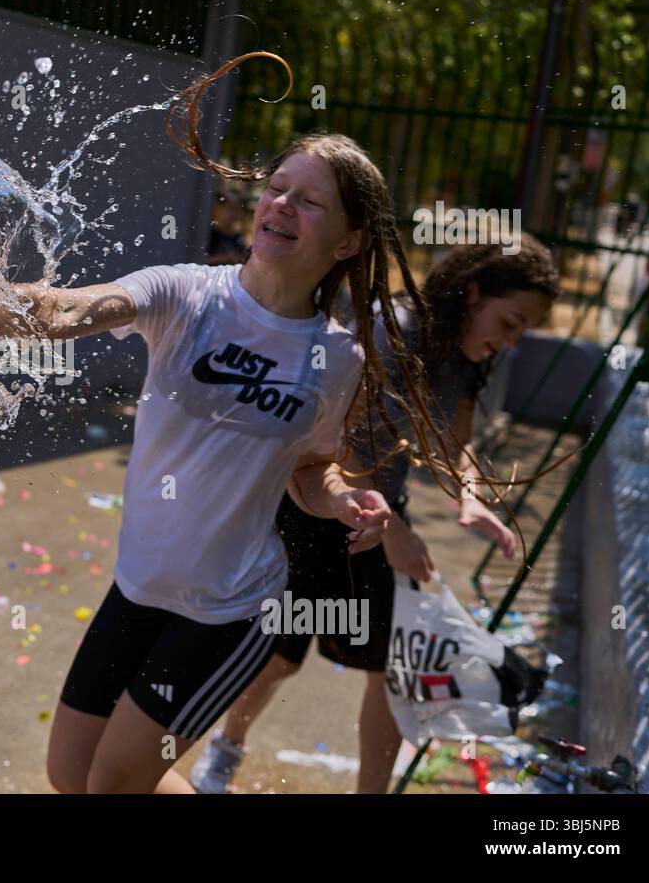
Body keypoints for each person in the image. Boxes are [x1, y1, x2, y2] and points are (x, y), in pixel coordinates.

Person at [0, 132, 472, 793]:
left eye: (308, 202)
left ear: (349, 241)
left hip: (226, 609)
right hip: (138, 585)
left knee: (113, 784)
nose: (279, 205)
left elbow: (310, 469)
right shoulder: (185, 296)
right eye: (276, 189)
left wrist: (342, 499)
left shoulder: (337, 359)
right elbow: (61, 307)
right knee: (71, 773)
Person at [189, 236, 561, 794]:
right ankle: (224, 748)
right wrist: (399, 537)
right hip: (314, 510)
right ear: (475, 291)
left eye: (521, 332)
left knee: (393, 670)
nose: (510, 343)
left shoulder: (463, 353)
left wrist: (469, 496)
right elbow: (341, 442)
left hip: (381, 515)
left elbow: (457, 442)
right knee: (282, 657)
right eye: (510, 322)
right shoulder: (399, 331)